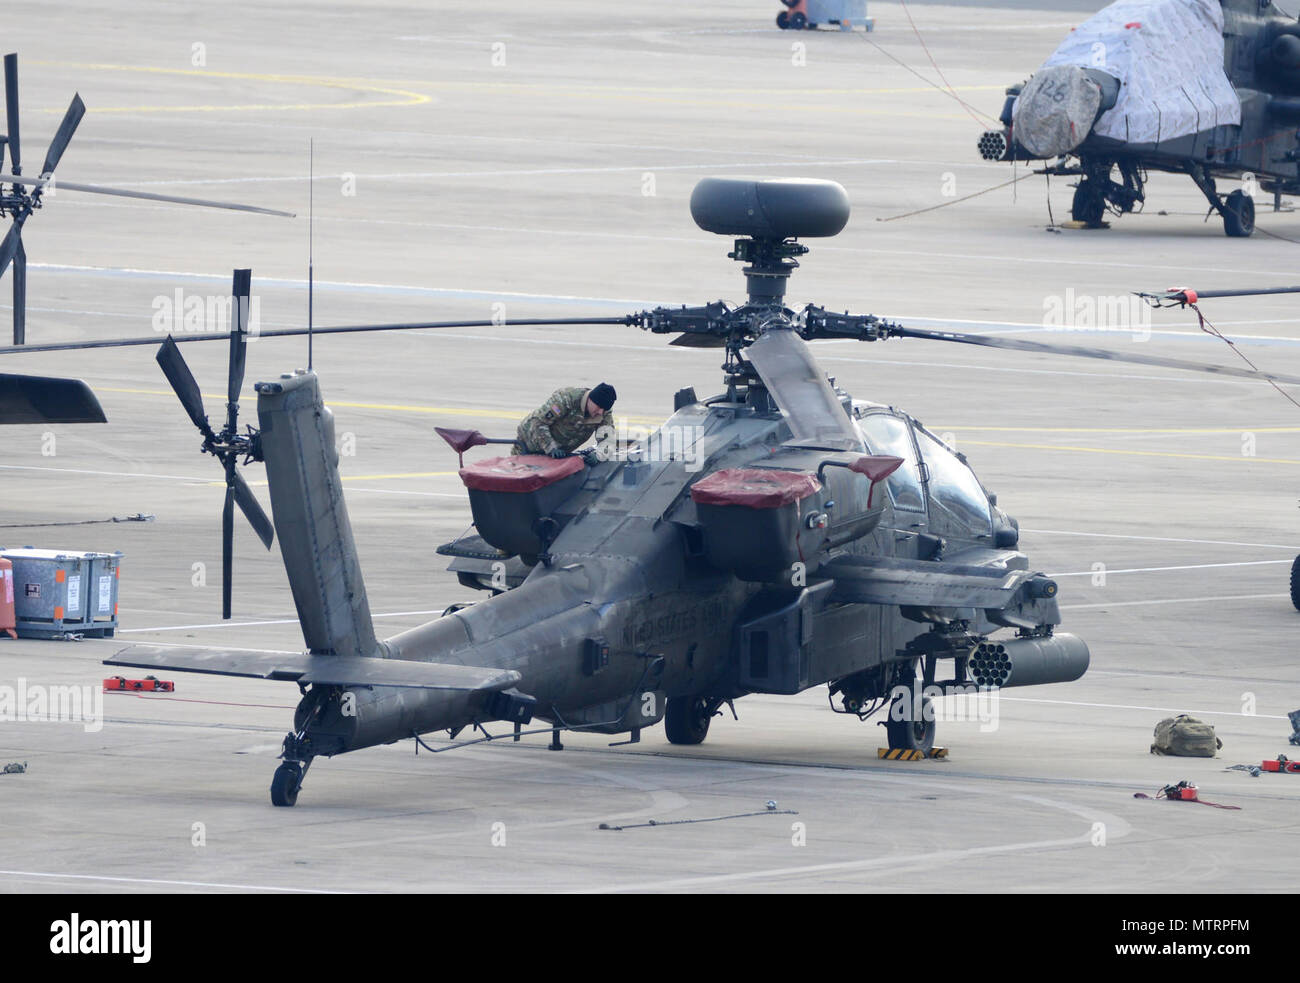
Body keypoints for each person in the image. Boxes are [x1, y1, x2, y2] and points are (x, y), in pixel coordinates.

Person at [513, 383, 616, 459]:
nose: (600, 412)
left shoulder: (603, 413)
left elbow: (608, 439)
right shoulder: (566, 400)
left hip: (558, 456)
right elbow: (539, 423)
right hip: (529, 445)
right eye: (598, 407)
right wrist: (551, 448)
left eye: (604, 409)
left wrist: (599, 455)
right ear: (590, 399)